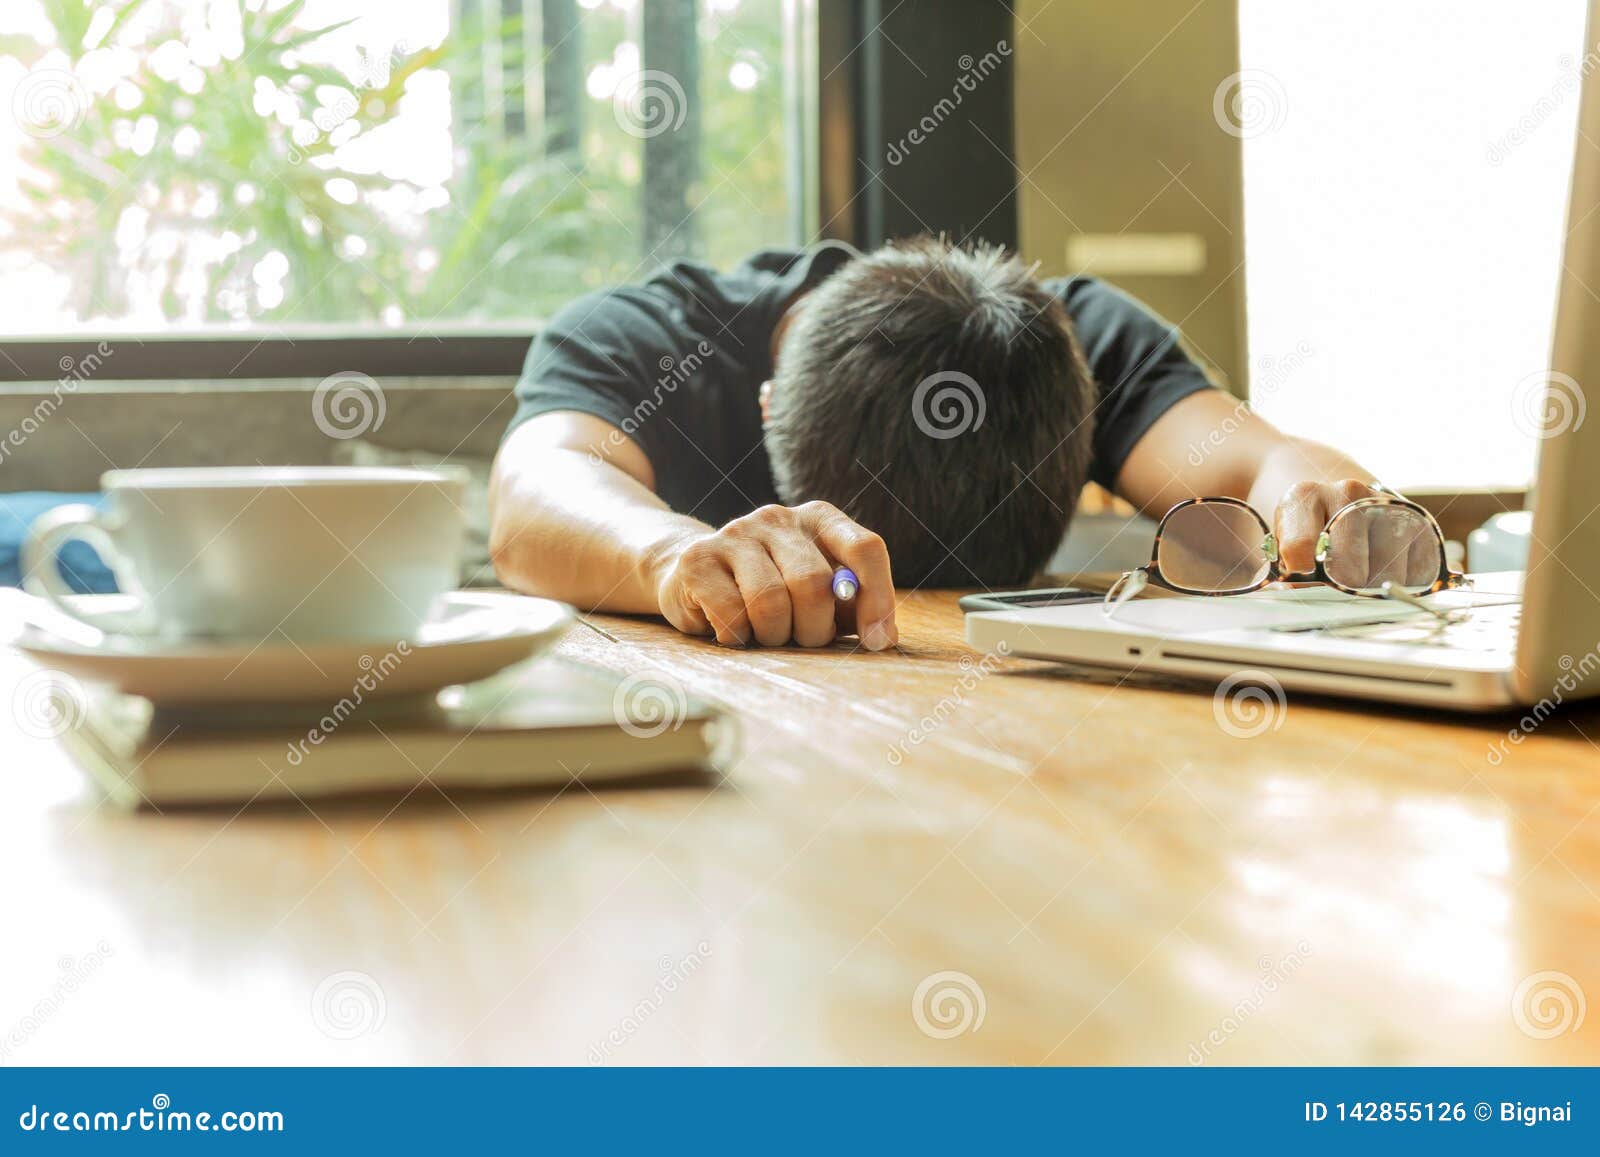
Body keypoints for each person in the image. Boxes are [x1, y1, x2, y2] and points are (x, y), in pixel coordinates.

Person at [489, 236, 1377, 650]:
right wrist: (673, 557)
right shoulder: (644, 340)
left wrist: (1317, 508)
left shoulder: (1071, 342)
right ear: (768, 404)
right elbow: (537, 490)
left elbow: (1260, 466)